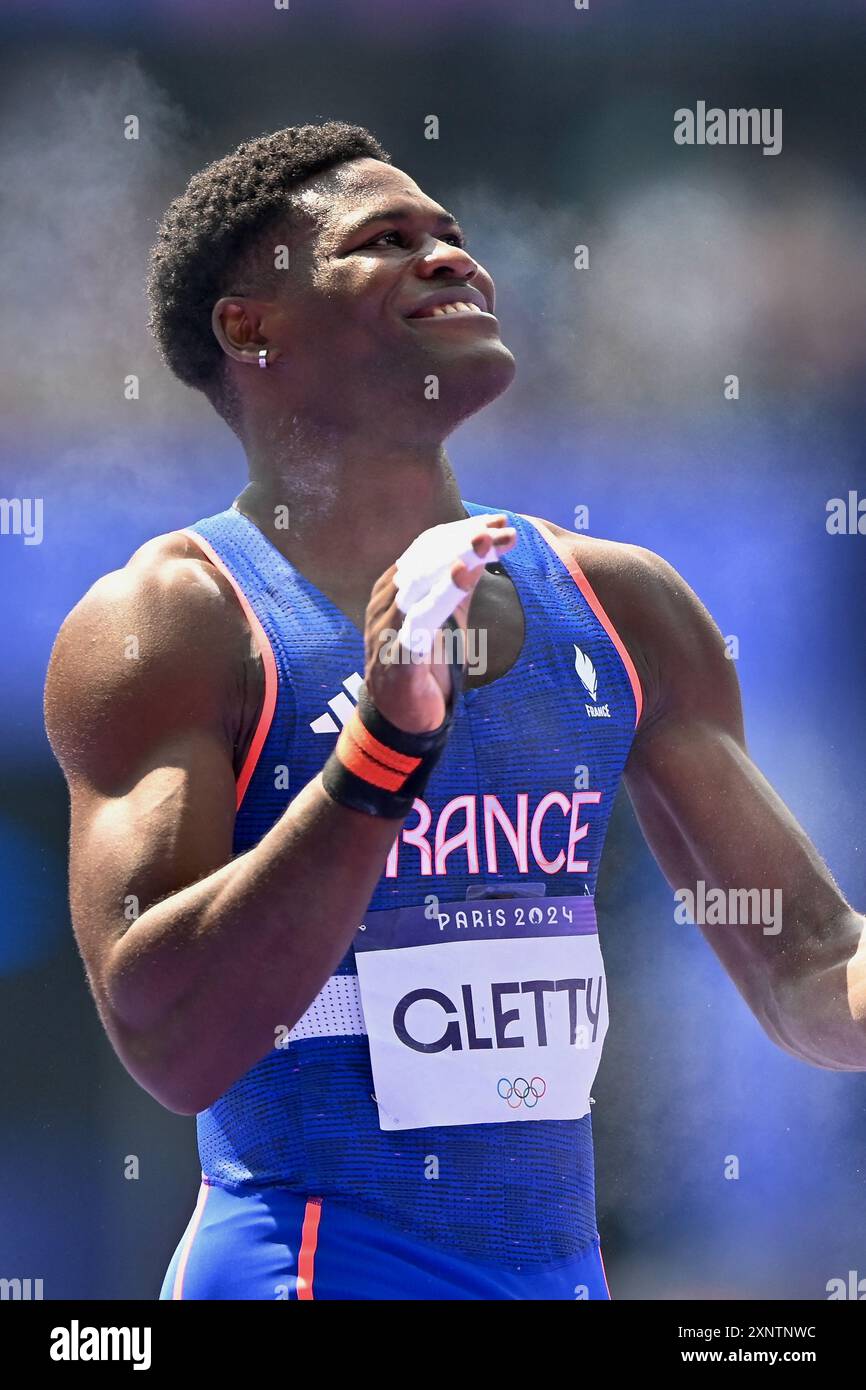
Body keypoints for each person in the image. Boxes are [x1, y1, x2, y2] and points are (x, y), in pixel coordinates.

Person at [44, 122, 866, 1300]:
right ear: (251, 325)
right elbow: (171, 1039)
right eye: (385, 240)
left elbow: (808, 970)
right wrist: (379, 751)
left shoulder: (621, 604)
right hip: (311, 1274)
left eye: (453, 235)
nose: (452, 259)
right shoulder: (171, 621)